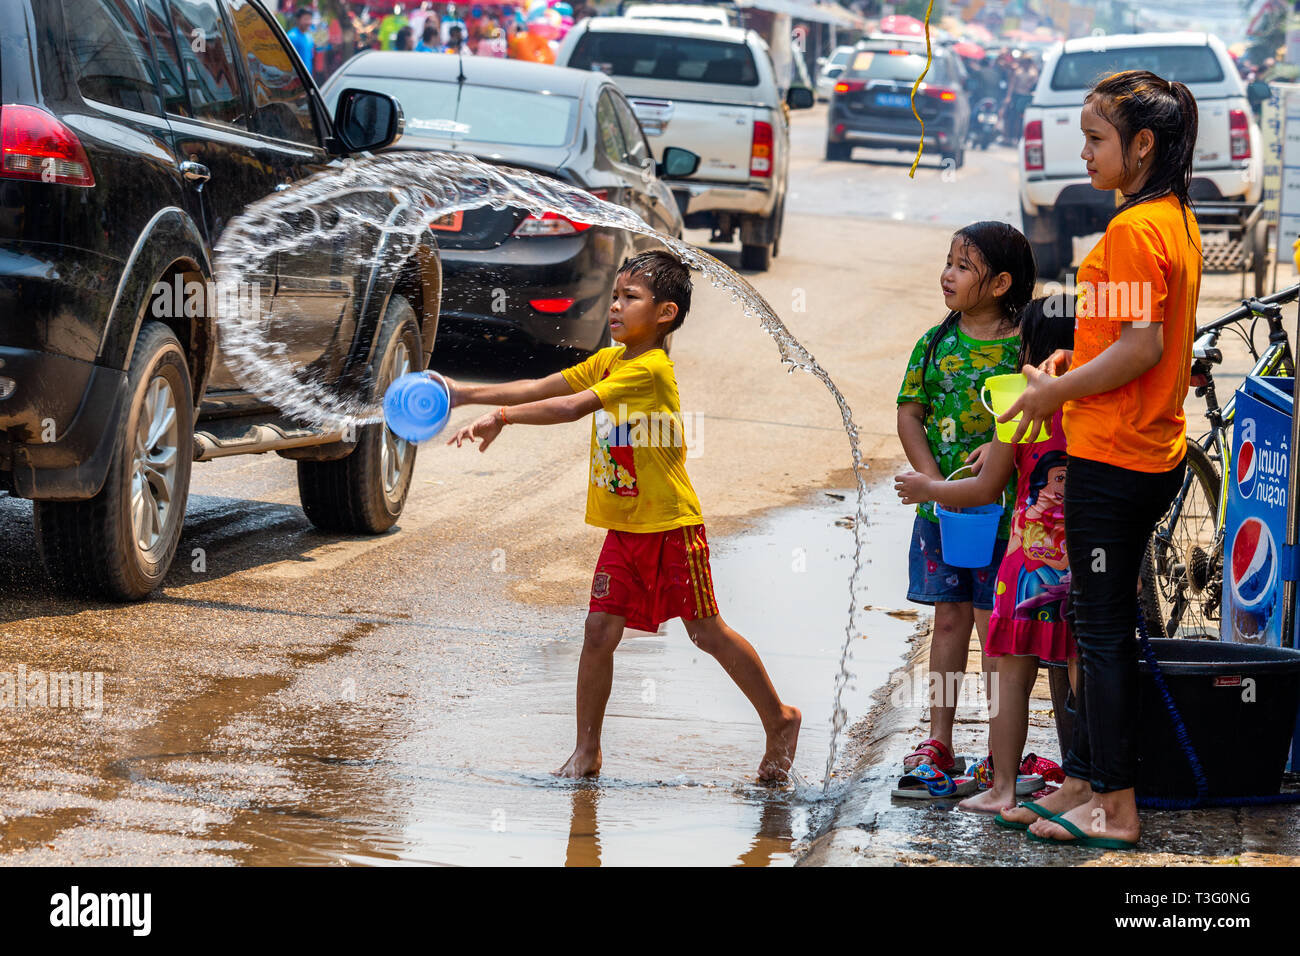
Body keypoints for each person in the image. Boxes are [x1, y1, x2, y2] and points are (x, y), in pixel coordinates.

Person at [442, 251, 802, 781]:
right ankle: (587, 751)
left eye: (630, 298)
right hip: (626, 530)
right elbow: (548, 387)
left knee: (706, 632)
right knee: (598, 632)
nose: (615, 306)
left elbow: (569, 408)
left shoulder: (649, 370)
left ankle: (780, 719)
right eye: (614, 295)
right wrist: (462, 392)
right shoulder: (613, 359)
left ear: (665, 314)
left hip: (671, 527)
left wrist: (500, 417)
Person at [997, 70, 1202, 848]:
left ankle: (1116, 809)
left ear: (1142, 145)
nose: (1081, 153)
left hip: (1118, 461)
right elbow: (1121, 344)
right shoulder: (1167, 218)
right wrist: (1069, 377)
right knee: (1092, 628)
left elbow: (1141, 347)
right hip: (1139, 446)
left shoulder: (1131, 232)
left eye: (1094, 140)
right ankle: (1082, 781)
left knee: (1103, 634)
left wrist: (1053, 398)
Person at [894, 294, 1079, 815]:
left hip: (1026, 568)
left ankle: (1000, 787)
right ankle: (1088, 782)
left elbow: (983, 490)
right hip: (1089, 560)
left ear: (1029, 348)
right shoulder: (1100, 404)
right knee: (1080, 664)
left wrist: (926, 488)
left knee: (1012, 671)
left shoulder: (1019, 404)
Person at [895, 222, 1036, 776]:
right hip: (944, 516)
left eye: (962, 266)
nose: (945, 275)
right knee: (949, 621)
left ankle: (1003, 750)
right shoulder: (935, 344)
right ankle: (939, 738)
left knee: (995, 626)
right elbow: (910, 413)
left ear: (1001, 283)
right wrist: (936, 488)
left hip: (1006, 518)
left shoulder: (1025, 348)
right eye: (948, 262)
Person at [286, 7, 316, 76]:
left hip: (308, 78)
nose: (308, 22)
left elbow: (310, 58)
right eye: (305, 19)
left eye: (309, 19)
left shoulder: (309, 37)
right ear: (298, 20)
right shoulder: (292, 37)